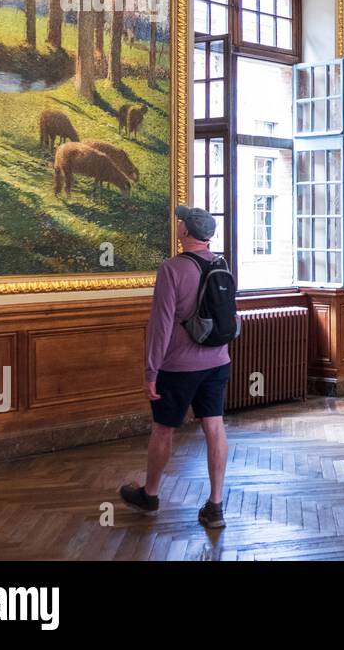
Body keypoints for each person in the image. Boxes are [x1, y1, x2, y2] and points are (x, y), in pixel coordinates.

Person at [119, 206, 231, 528]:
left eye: (181, 223)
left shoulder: (172, 269)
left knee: (163, 428)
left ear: (185, 232)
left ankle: (150, 495)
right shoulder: (222, 265)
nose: (179, 225)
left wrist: (151, 372)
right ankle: (216, 505)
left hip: (178, 367)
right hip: (218, 360)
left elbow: (161, 325)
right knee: (214, 427)